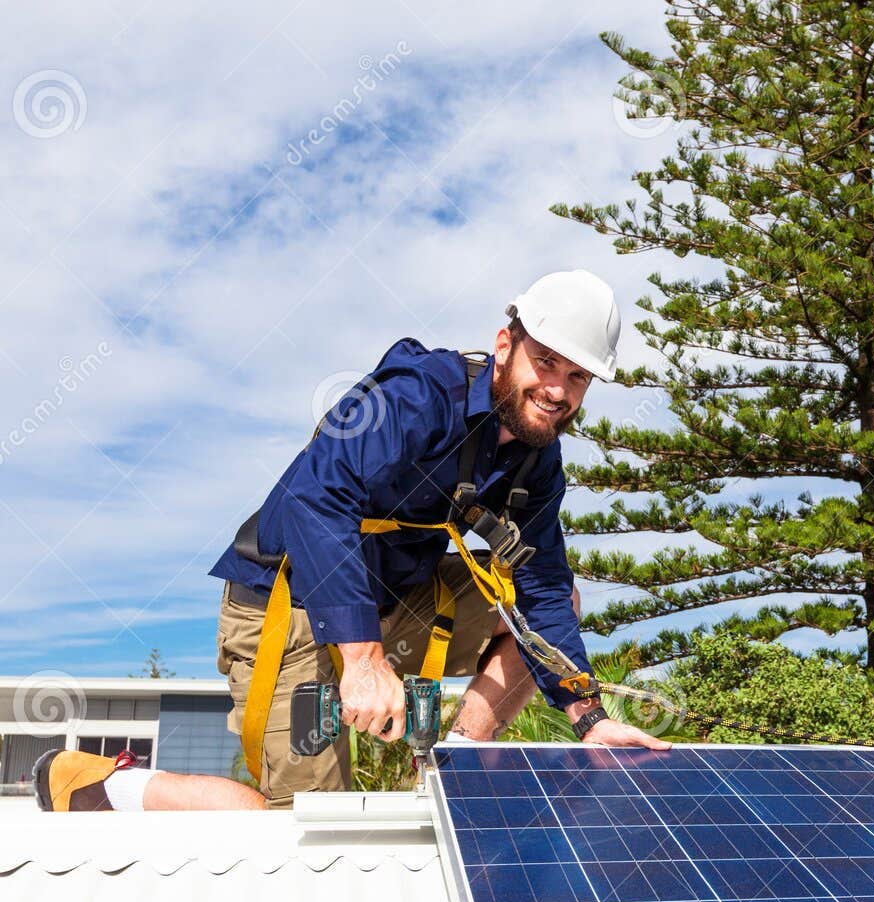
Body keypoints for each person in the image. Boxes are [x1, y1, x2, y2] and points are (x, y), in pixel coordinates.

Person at [35, 270, 668, 814]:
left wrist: (589, 717)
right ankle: (106, 787)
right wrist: (362, 662)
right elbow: (317, 498)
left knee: (558, 598)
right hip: (291, 609)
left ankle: (453, 766)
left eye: (579, 377)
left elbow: (544, 586)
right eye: (546, 362)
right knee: (304, 826)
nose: (558, 390)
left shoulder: (537, 462)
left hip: (394, 601)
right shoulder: (415, 399)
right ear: (506, 346)